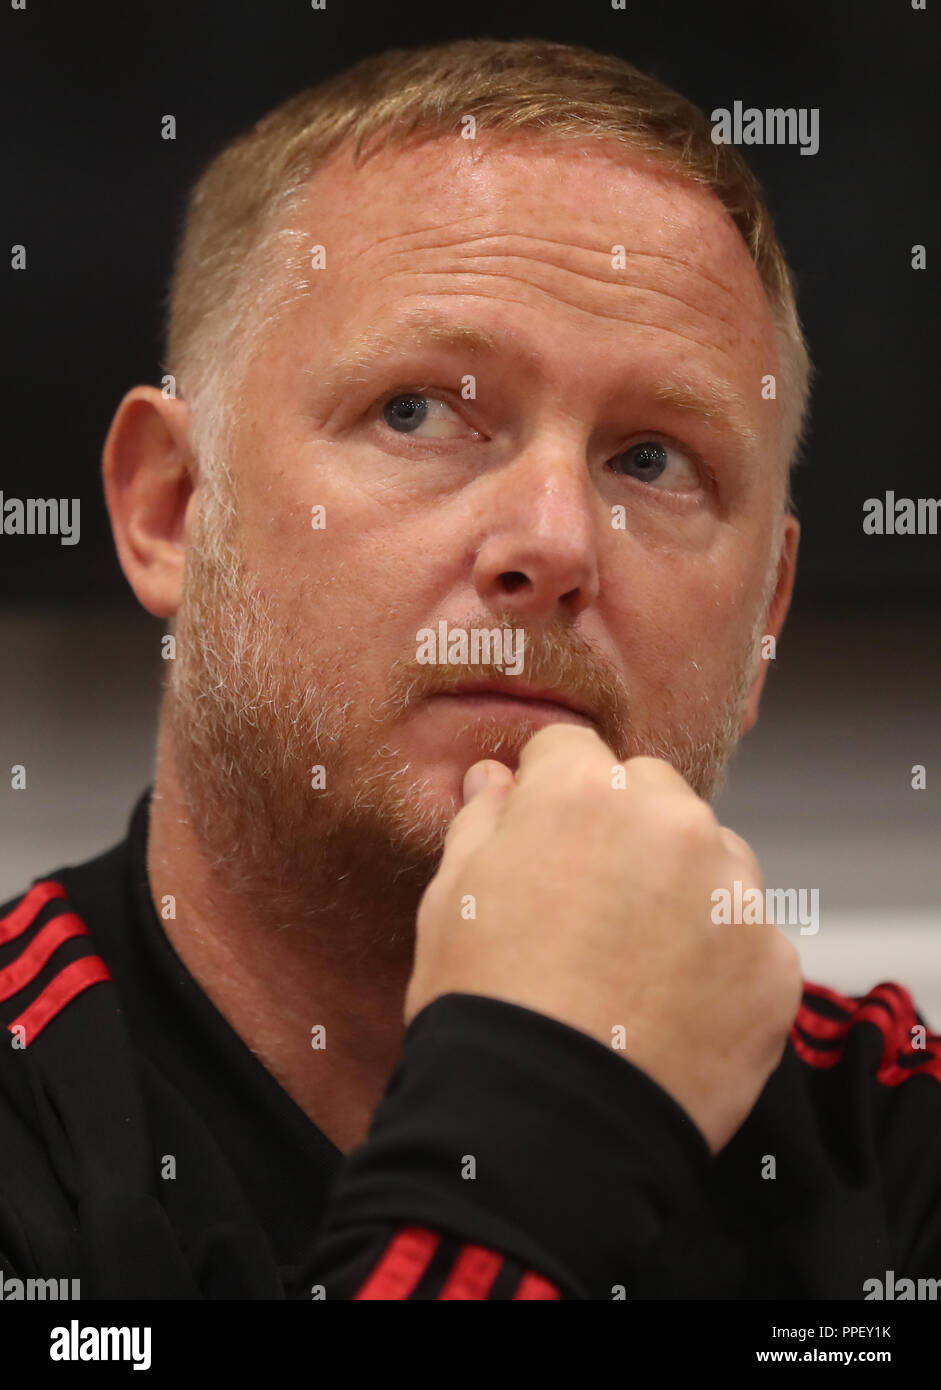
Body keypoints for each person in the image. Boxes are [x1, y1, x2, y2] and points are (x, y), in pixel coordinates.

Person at [1, 36, 938, 1301]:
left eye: (652, 460)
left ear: (762, 617)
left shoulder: (891, 1131)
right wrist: (553, 1117)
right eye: (419, 411)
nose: (553, 545)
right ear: (172, 508)